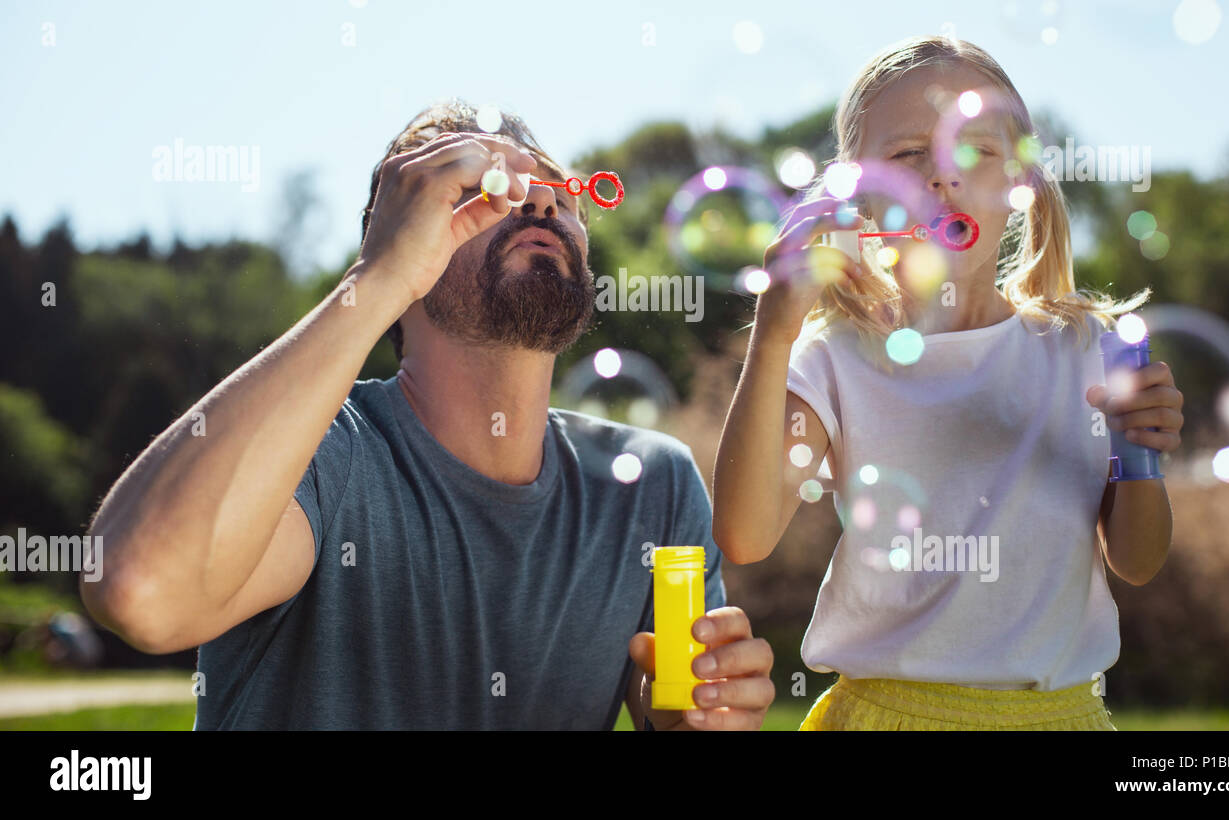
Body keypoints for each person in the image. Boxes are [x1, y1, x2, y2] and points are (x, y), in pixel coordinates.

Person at [80, 99, 775, 730]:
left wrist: (701, 718)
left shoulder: (651, 485)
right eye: (485, 191)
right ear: (396, 242)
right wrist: (374, 280)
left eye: (561, 193)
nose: (538, 204)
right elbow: (141, 591)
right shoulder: (324, 453)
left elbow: (682, 712)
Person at [712, 36, 1183, 730]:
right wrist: (774, 335)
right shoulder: (836, 358)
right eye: (907, 155)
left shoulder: (1090, 352)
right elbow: (745, 536)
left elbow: (1139, 562)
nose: (941, 175)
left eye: (973, 151)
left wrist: (1138, 455)